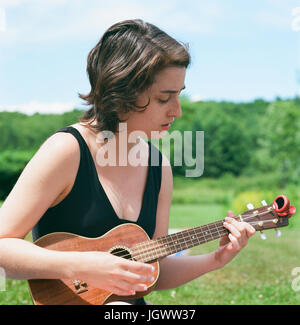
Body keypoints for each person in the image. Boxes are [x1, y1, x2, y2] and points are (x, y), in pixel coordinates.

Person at [0, 19, 255, 305]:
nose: (177, 111)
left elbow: (155, 269)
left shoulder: (159, 168)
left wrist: (216, 260)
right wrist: (79, 266)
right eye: (164, 98)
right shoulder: (66, 151)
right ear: (122, 92)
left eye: (179, 96)